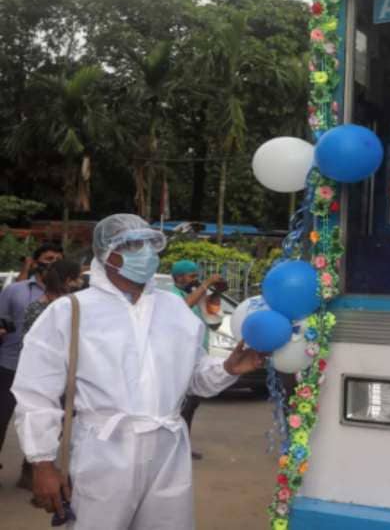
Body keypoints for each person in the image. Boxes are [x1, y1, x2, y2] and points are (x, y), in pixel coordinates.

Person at [13, 214, 264, 529]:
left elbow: (196, 378)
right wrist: (42, 462)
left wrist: (228, 369)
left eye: (150, 244)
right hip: (103, 452)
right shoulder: (71, 311)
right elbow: (36, 391)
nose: (145, 253)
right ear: (107, 254)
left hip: (168, 450)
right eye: (132, 245)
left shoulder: (174, 311)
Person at [12, 258, 84, 490]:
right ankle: (41, 474)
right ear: (68, 280)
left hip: (60, 378)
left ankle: (41, 472)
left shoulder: (57, 306)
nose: (81, 282)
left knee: (54, 427)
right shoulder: (62, 309)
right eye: (78, 277)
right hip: (53, 377)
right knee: (48, 426)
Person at [0, 242, 63, 479]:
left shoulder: (71, 297)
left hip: (49, 370)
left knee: (44, 422)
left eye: (58, 258)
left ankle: (32, 472)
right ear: (36, 262)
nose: (53, 262)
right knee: (1, 419)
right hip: (10, 363)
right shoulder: (15, 291)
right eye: (48, 258)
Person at [167, 259, 224, 460]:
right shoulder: (172, 295)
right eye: (192, 276)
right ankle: (176, 448)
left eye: (196, 275)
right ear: (179, 277)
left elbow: (214, 318)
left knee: (192, 404)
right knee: (181, 406)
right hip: (180, 358)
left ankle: (183, 446)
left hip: (198, 356)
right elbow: (183, 307)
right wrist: (206, 284)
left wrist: (216, 293)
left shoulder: (196, 295)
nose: (196, 279)